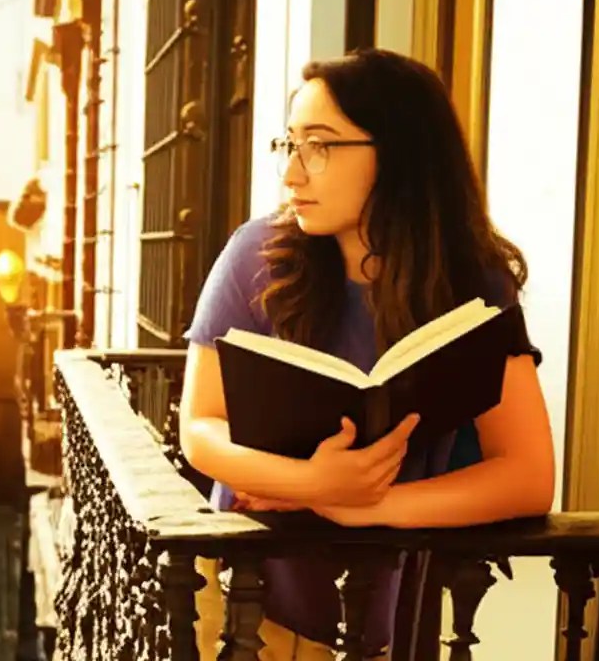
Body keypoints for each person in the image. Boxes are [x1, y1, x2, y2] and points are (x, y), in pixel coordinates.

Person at [178, 48, 555, 660]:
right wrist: (311, 480)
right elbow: (198, 427)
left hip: (391, 625)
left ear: (399, 154)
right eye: (289, 144)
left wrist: (361, 505)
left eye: (319, 146)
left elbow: (528, 475)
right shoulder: (256, 256)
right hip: (247, 612)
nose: (292, 173)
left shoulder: (473, 283)